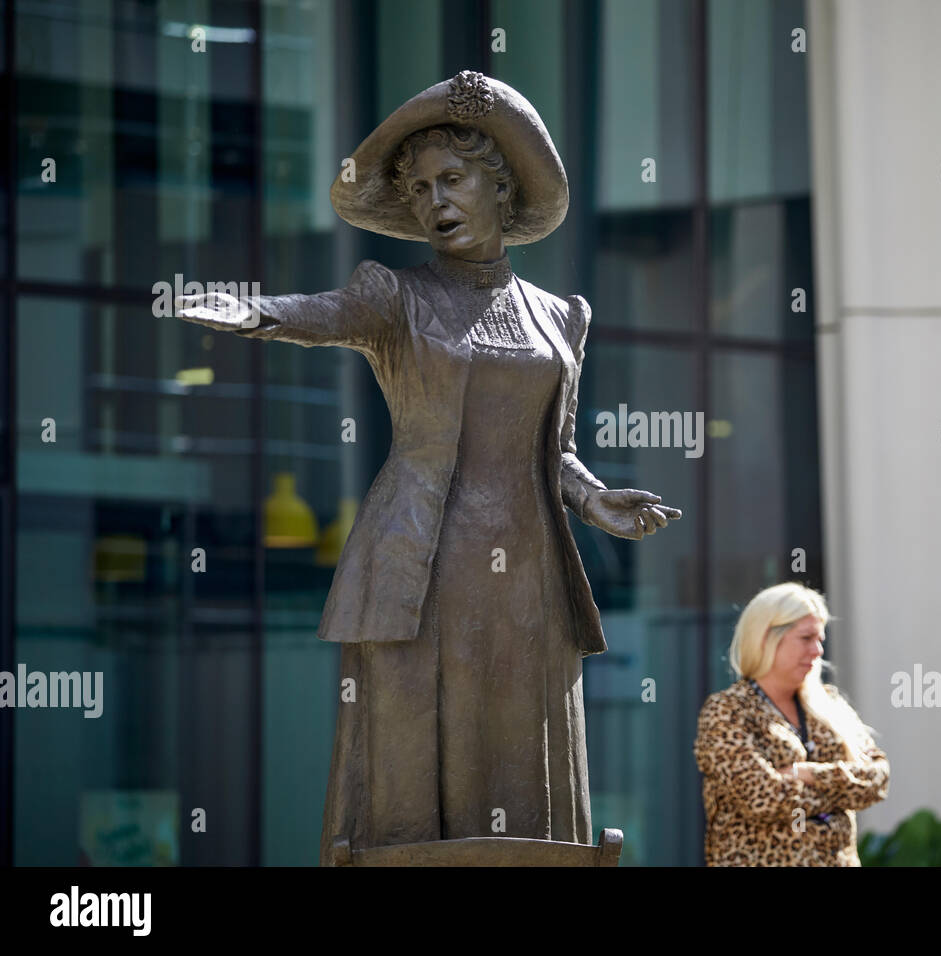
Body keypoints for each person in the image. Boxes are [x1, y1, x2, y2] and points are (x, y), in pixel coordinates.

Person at [171, 71, 681, 863]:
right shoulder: (395, 298)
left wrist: (596, 500)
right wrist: (261, 313)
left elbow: (558, 450)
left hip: (529, 573)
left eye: (452, 179)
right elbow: (326, 314)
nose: (434, 201)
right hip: (422, 562)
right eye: (417, 190)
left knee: (520, 758)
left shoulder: (562, 317)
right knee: (411, 767)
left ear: (500, 186)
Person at [693, 583, 889, 866]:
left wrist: (806, 773)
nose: (818, 650)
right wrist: (842, 790)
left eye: (820, 639)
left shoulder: (830, 703)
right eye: (806, 638)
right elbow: (763, 799)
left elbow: (878, 780)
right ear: (766, 639)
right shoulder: (727, 710)